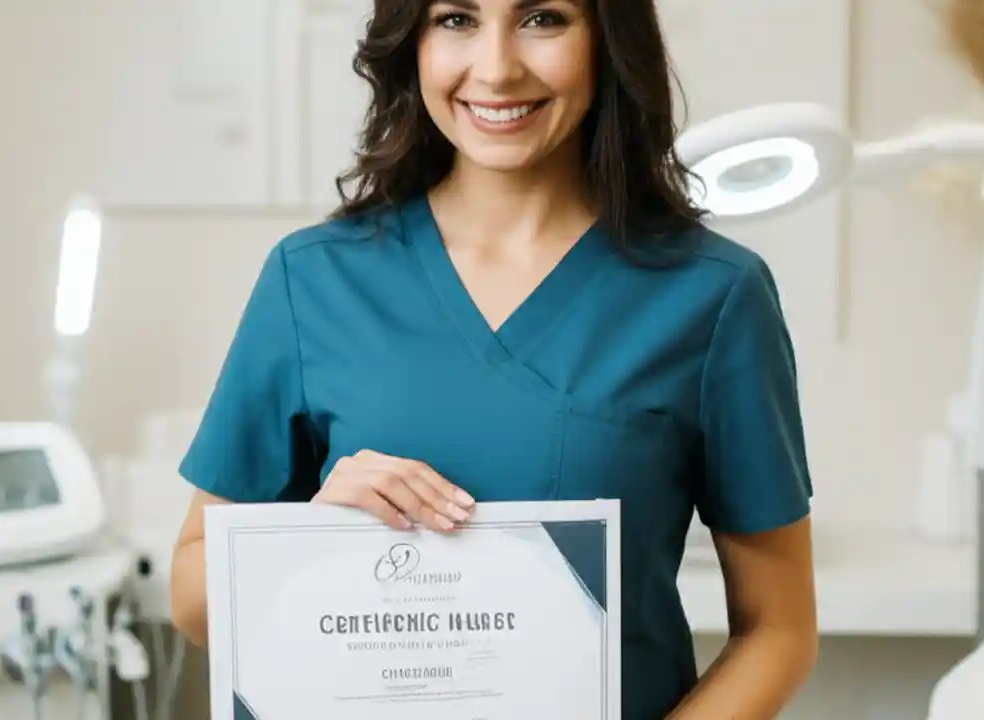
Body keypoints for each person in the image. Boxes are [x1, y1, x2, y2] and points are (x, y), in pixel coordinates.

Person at [169, 0, 818, 717]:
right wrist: (313, 539)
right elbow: (193, 596)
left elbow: (779, 629)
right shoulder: (312, 281)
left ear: (608, 38)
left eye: (543, 18)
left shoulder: (713, 296)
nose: (498, 68)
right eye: (456, 19)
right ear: (410, 44)